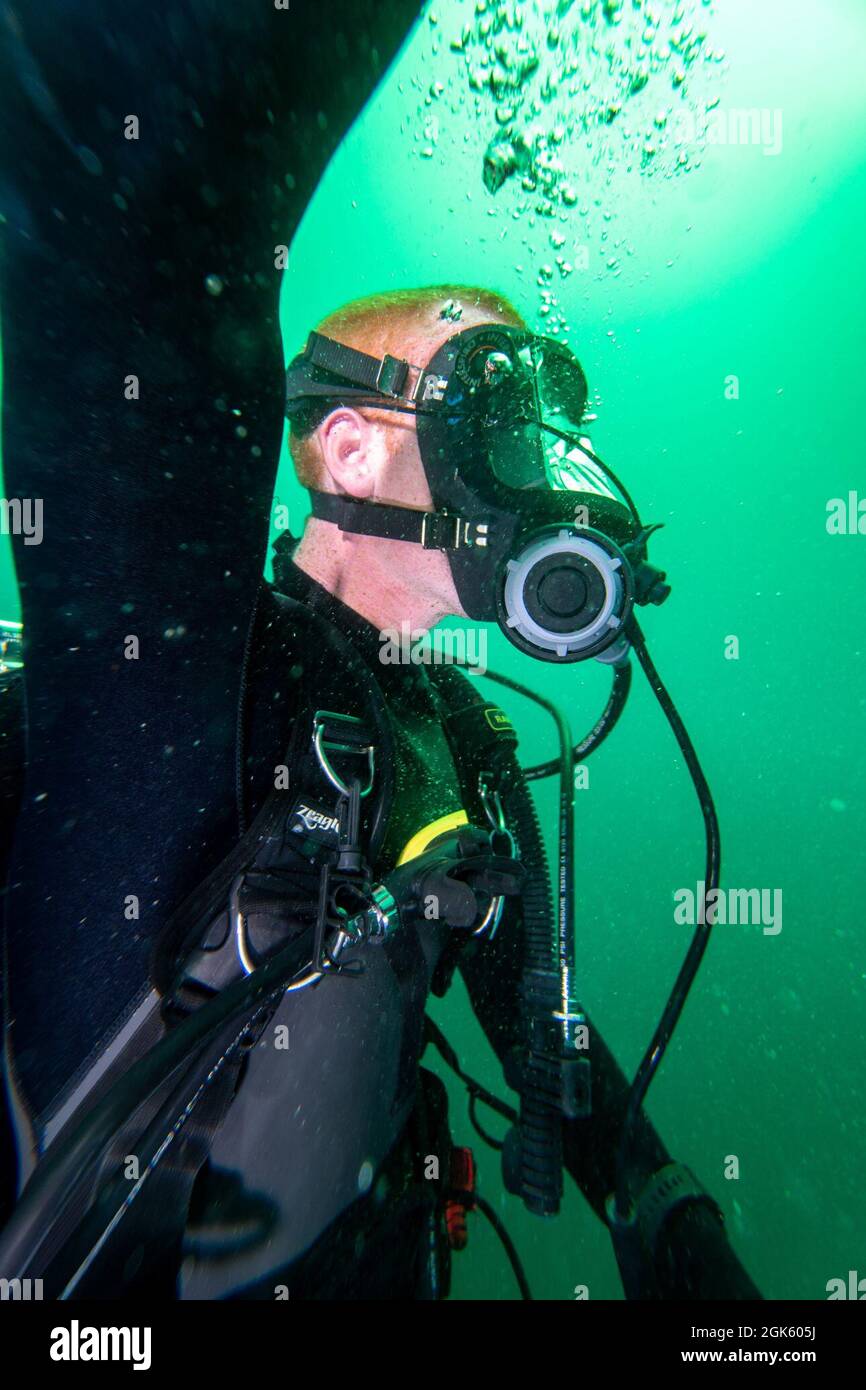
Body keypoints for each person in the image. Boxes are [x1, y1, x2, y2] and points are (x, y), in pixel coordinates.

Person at [0, 5, 761, 1301]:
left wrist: (664, 1204)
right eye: (498, 415)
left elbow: (534, 1024)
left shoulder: (463, 739)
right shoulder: (186, 661)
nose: (541, 476)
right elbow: (138, 237)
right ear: (349, 449)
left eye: (546, 436)